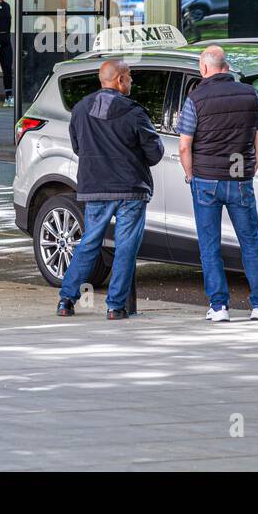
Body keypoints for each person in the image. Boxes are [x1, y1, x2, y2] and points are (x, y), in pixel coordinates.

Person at [176, 45, 258, 322]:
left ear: (205, 69)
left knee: (209, 244)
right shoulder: (250, 94)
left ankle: (219, 306)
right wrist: (251, 168)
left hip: (206, 180)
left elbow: (184, 145)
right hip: (239, 179)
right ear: (226, 67)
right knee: (250, 242)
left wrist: (190, 175)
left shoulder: (195, 98)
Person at [57, 58, 164, 320]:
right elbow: (155, 153)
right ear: (119, 80)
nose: (131, 81)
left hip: (95, 187)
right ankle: (116, 306)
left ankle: (66, 300)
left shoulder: (81, 109)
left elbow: (78, 147)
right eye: (129, 77)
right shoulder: (134, 112)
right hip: (130, 189)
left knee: (89, 243)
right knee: (126, 247)